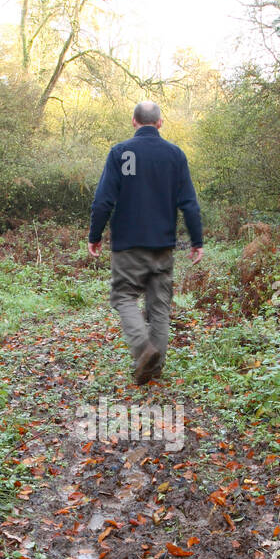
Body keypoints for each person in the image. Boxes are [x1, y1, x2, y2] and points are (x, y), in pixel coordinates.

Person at [88, 101, 204, 385]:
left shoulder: (119, 153)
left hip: (127, 245)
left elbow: (103, 200)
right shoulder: (175, 155)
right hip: (162, 245)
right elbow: (189, 203)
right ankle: (153, 372)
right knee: (160, 307)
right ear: (160, 123)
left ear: (133, 121)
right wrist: (196, 239)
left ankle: (143, 351)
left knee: (124, 297)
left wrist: (95, 235)